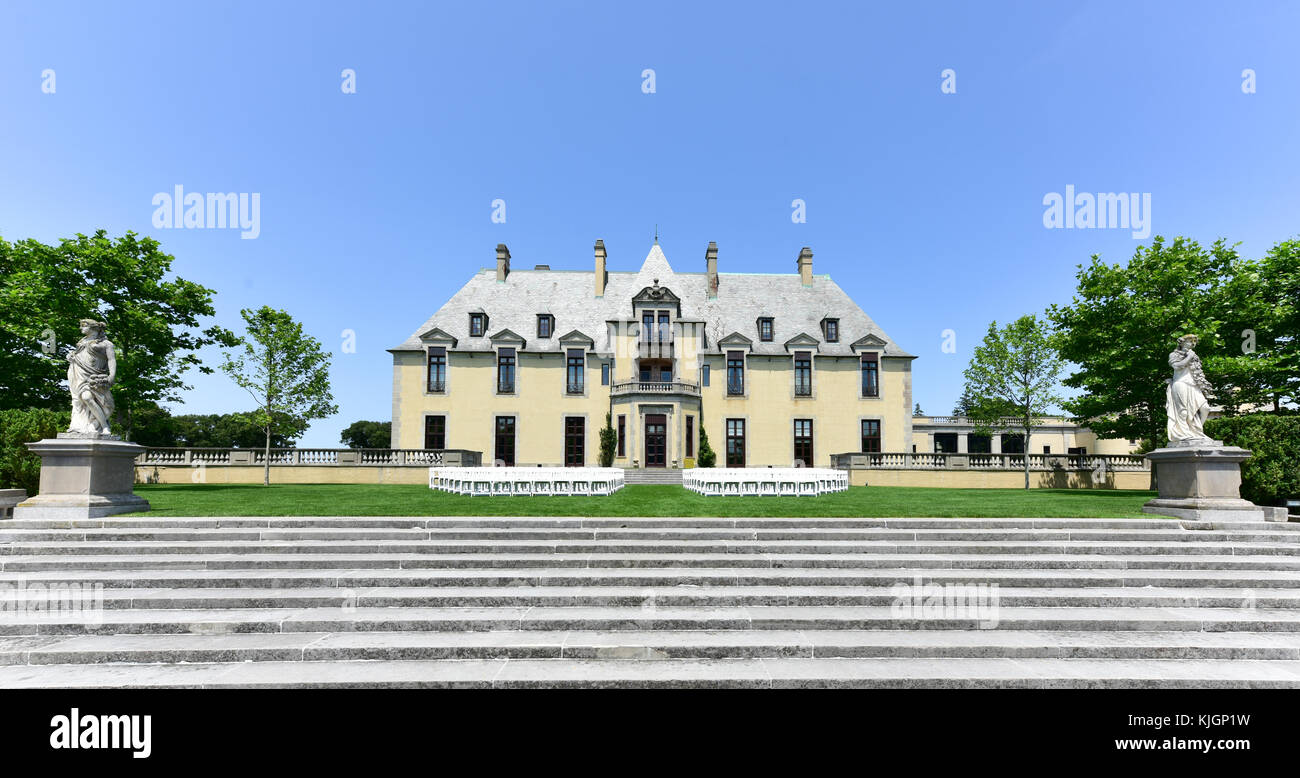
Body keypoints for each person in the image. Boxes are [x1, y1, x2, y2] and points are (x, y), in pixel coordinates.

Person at [67, 318, 117, 436]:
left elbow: (112, 359)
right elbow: (78, 357)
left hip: (95, 377)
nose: (81, 328)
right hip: (79, 375)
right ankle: (94, 426)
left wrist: (112, 376)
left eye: (84, 326)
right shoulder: (81, 342)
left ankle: (101, 425)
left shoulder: (106, 344)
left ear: (93, 328)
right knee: (84, 398)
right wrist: (71, 357)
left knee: (94, 400)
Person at [1166, 334, 1212, 444]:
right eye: (1189, 341)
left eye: (1193, 342)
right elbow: (1177, 366)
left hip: (1193, 385)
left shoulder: (1194, 357)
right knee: (1182, 412)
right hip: (1180, 384)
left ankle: (1196, 432)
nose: (1192, 344)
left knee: (1205, 408)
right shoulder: (1174, 354)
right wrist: (1189, 357)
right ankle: (1184, 433)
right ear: (1181, 343)